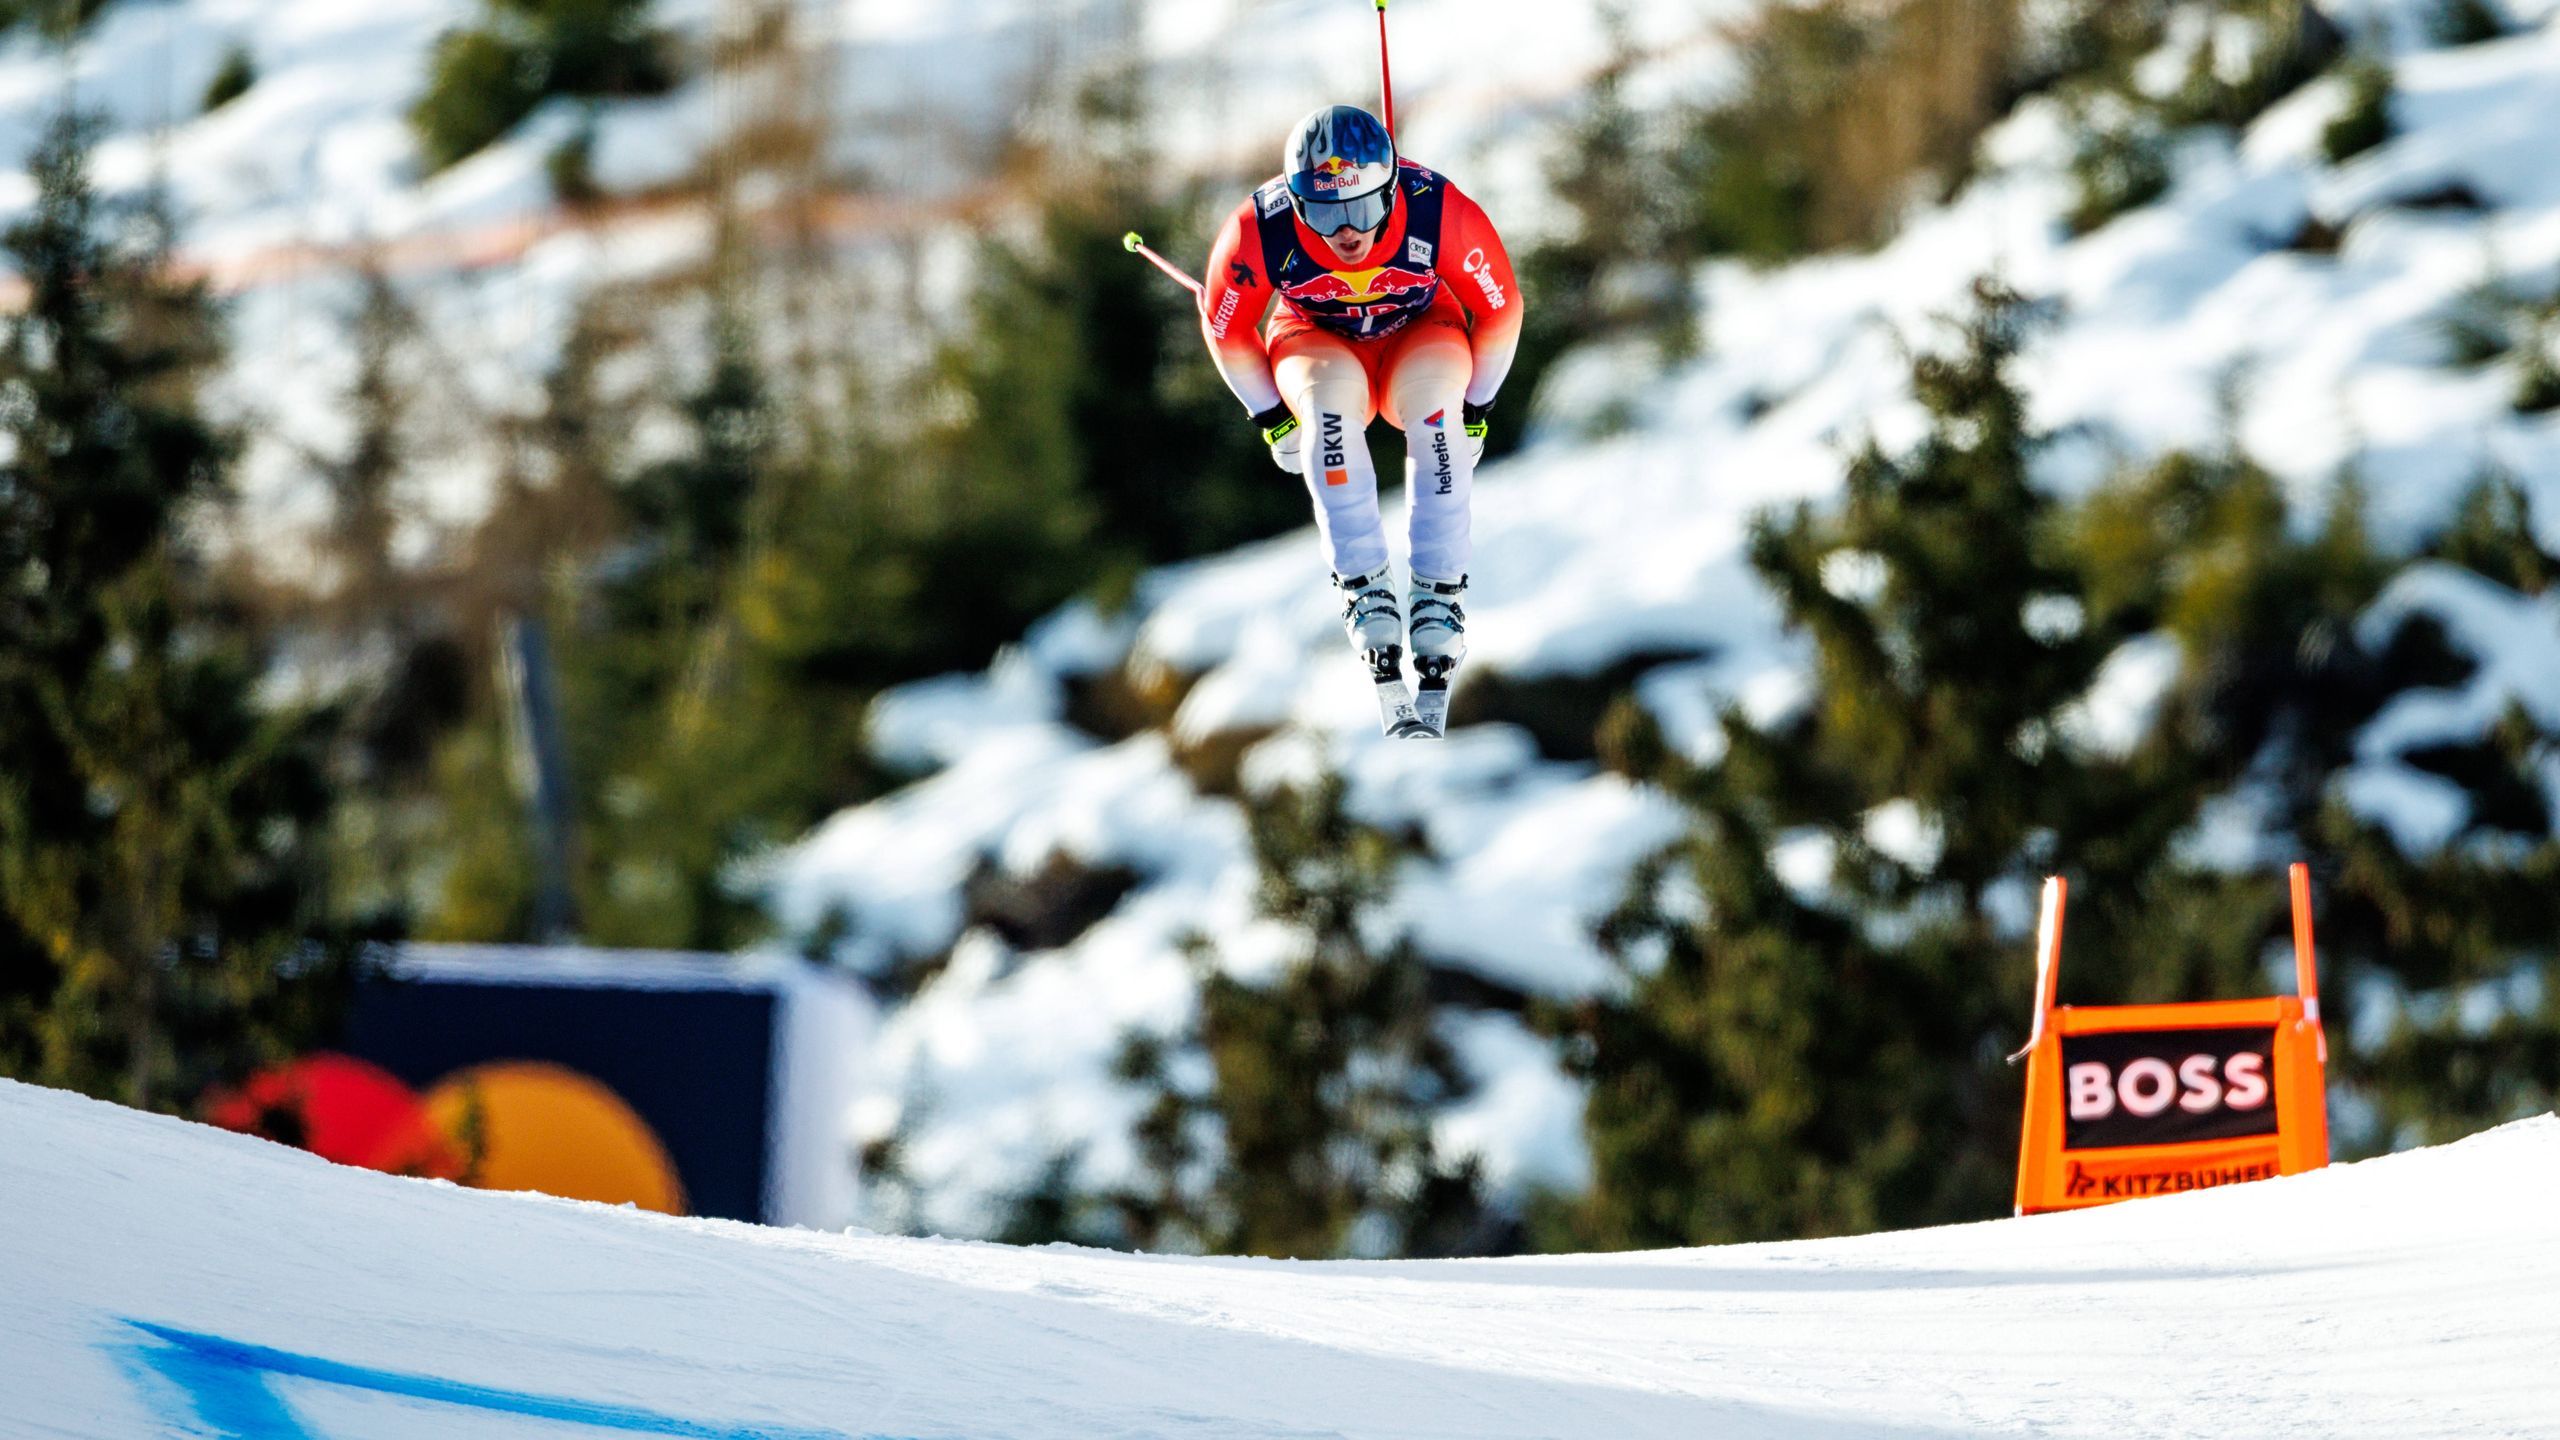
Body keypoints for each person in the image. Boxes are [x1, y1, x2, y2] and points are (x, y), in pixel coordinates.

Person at [1198, 103, 1522, 706]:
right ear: (1295, 202)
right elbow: (1226, 328)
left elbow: (1501, 308)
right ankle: (1364, 584)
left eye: (1366, 207)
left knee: (1437, 421)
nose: (1347, 232)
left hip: (1420, 332)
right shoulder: (1258, 230)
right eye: (1323, 213)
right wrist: (1272, 417)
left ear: (1393, 187)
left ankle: (1438, 592)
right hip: (1316, 340)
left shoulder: (1439, 211)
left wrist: (1475, 406)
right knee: (1328, 422)